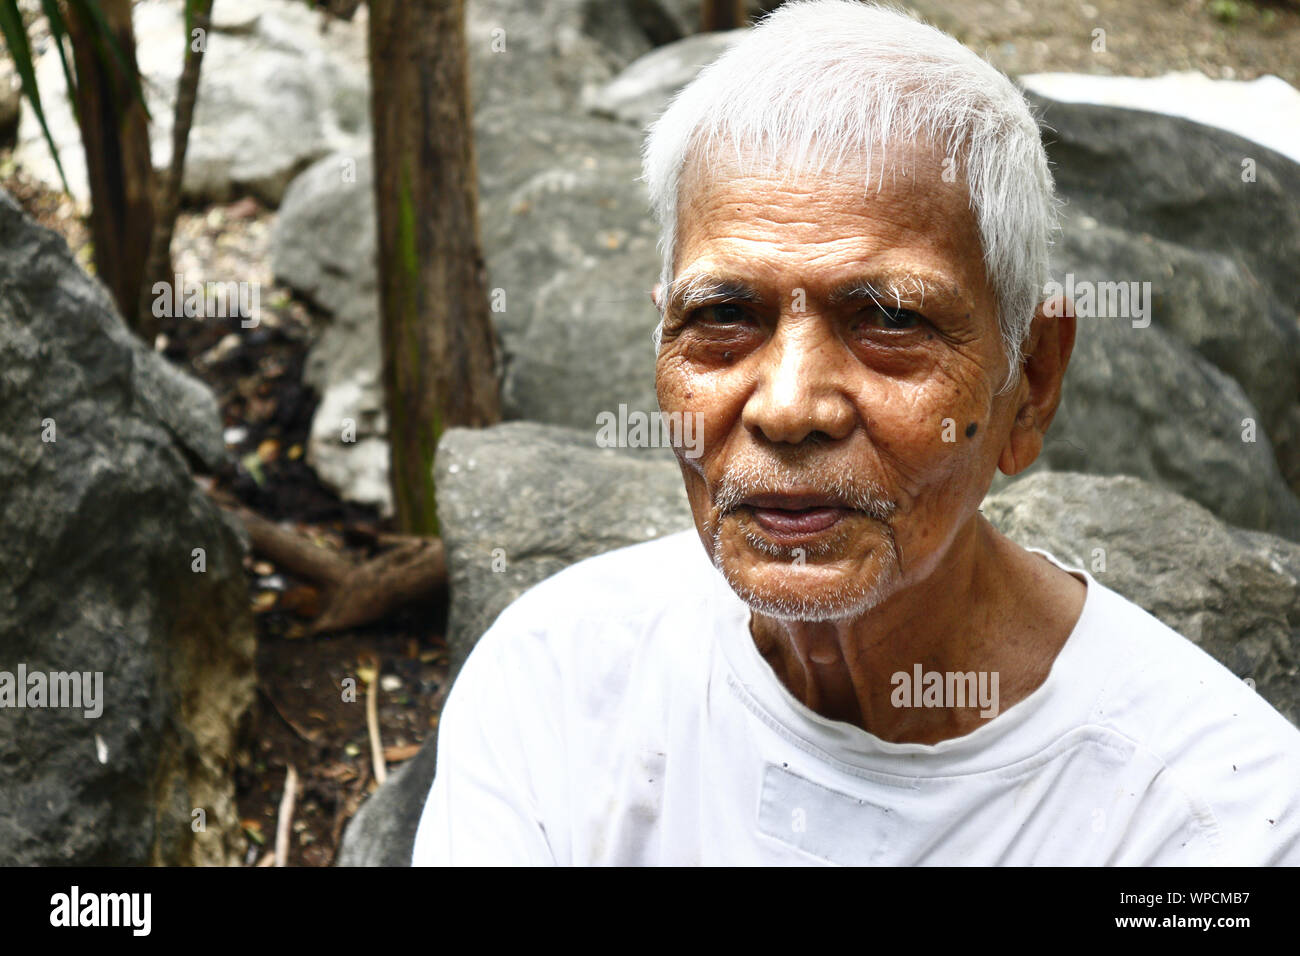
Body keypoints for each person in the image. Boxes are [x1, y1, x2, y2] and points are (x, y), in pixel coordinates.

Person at [412, 0, 1300, 865]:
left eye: (890, 321)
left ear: (1028, 384)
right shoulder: (556, 682)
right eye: (724, 314)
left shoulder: (1216, 823)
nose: (789, 408)